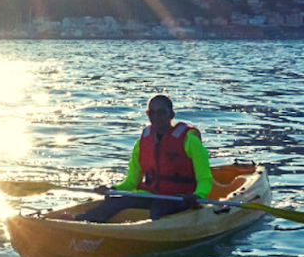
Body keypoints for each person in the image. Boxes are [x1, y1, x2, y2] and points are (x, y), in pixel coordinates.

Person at [75, 94, 212, 222]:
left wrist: (199, 195)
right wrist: (113, 189)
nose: (156, 117)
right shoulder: (142, 143)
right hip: (151, 195)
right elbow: (131, 182)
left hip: (179, 198)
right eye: (151, 113)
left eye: (161, 112)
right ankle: (77, 221)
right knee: (115, 201)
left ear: (171, 115)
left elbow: (204, 178)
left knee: (160, 208)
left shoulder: (190, 141)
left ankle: (150, 235)